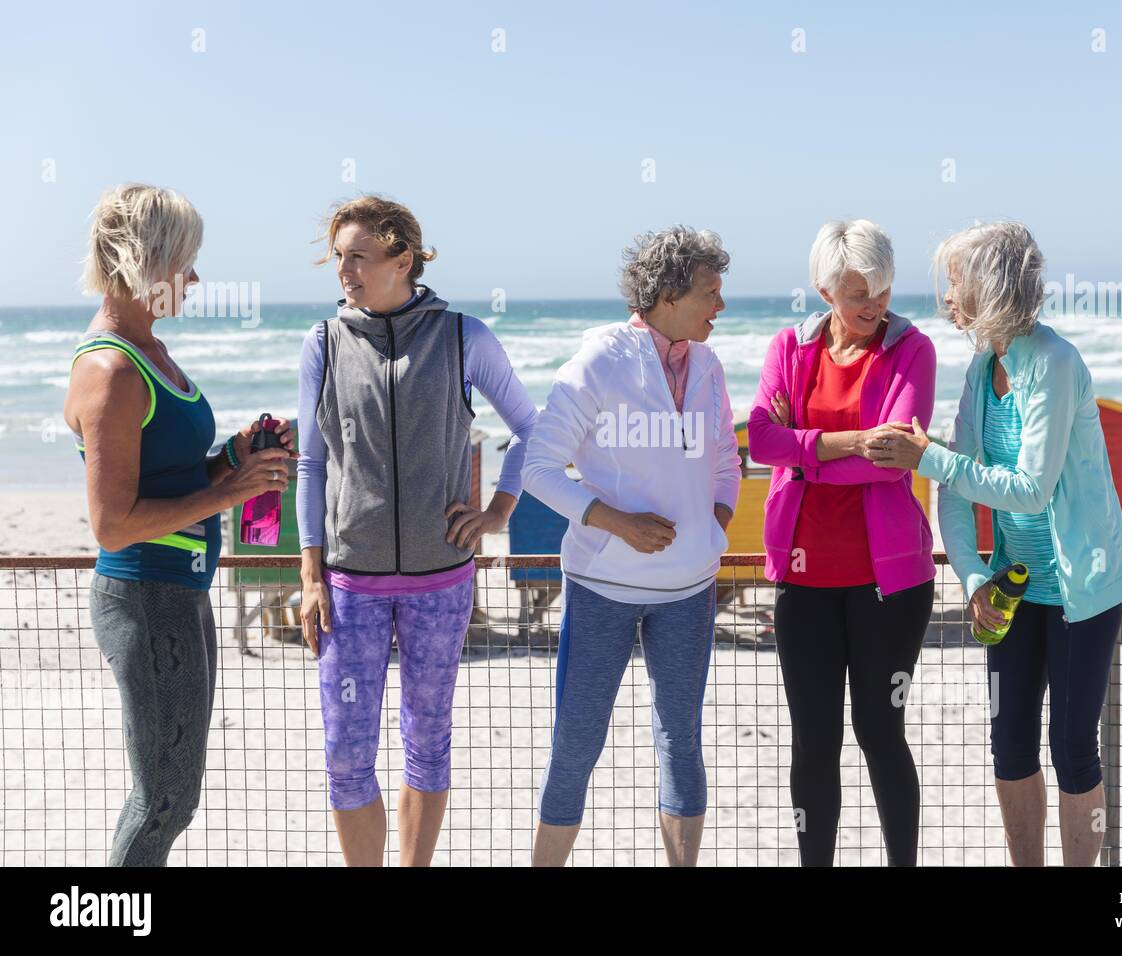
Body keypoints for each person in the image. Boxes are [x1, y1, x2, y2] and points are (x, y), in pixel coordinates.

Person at [867, 220, 1122, 866]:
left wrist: (927, 457)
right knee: (1009, 745)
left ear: (991, 286)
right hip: (1015, 587)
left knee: (1073, 749)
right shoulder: (983, 365)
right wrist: (973, 579)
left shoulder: (1053, 361)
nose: (946, 297)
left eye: (955, 281)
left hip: (1083, 588)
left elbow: (1029, 489)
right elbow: (957, 491)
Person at [296, 195, 537, 866]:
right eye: (338, 256)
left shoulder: (464, 337)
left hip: (441, 582)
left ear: (402, 259)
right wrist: (310, 575)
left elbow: (531, 429)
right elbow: (311, 464)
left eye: (358, 256)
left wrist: (498, 511)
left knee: (427, 743)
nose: (344, 269)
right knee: (347, 751)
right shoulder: (323, 342)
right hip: (350, 585)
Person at [64, 183, 296, 866]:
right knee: (161, 799)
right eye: (185, 262)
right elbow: (112, 525)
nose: (194, 279)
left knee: (174, 796)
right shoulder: (111, 370)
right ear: (147, 261)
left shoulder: (153, 352)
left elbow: (169, 474)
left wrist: (234, 458)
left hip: (183, 593)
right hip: (145, 596)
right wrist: (234, 493)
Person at [523, 226, 741, 866]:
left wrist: (713, 527)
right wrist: (616, 523)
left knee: (682, 742)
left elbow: (726, 460)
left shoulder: (708, 365)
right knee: (576, 742)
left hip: (689, 591)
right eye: (710, 292)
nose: (720, 307)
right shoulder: (597, 362)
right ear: (669, 293)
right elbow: (539, 470)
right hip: (601, 591)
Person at [748, 218, 937, 866]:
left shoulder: (912, 349)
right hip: (802, 580)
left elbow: (894, 460)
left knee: (881, 731)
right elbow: (759, 439)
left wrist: (804, 452)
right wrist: (849, 442)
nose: (874, 305)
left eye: (882, 290)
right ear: (825, 289)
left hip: (891, 584)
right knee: (813, 740)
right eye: (859, 293)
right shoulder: (789, 349)